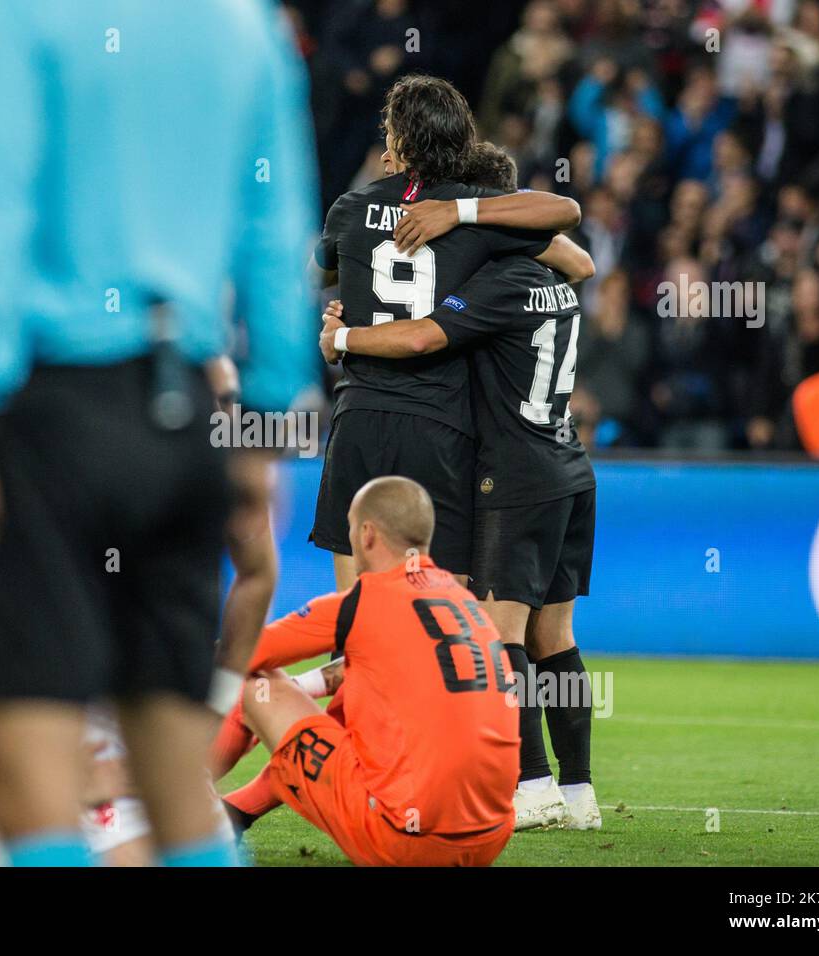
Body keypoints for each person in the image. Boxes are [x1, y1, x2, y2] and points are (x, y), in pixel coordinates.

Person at [0, 0, 318, 867]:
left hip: (48, 414)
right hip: (185, 413)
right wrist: (263, 421)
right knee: (176, 786)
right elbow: (278, 229)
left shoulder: (8, 15)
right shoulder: (243, 23)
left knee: (35, 785)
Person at [320, 245, 601, 831]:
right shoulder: (558, 281)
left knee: (501, 637)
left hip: (517, 475)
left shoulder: (496, 283)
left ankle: (534, 785)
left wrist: (344, 339)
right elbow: (581, 259)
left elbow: (423, 336)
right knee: (556, 636)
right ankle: (580, 796)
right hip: (570, 466)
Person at [310, 74, 591, 590]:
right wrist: (466, 212)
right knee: (446, 605)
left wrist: (340, 329)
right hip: (438, 425)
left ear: (397, 139)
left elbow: (323, 269)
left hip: (358, 418)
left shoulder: (348, 208)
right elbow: (573, 239)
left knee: (353, 606)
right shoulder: (476, 217)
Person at [218, 476, 520, 866]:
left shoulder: (365, 602)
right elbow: (371, 672)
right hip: (488, 839)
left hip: (403, 841)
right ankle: (233, 813)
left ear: (367, 534)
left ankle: (175, 809)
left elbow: (240, 654)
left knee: (255, 683)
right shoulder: (464, 604)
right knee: (350, 708)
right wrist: (304, 688)